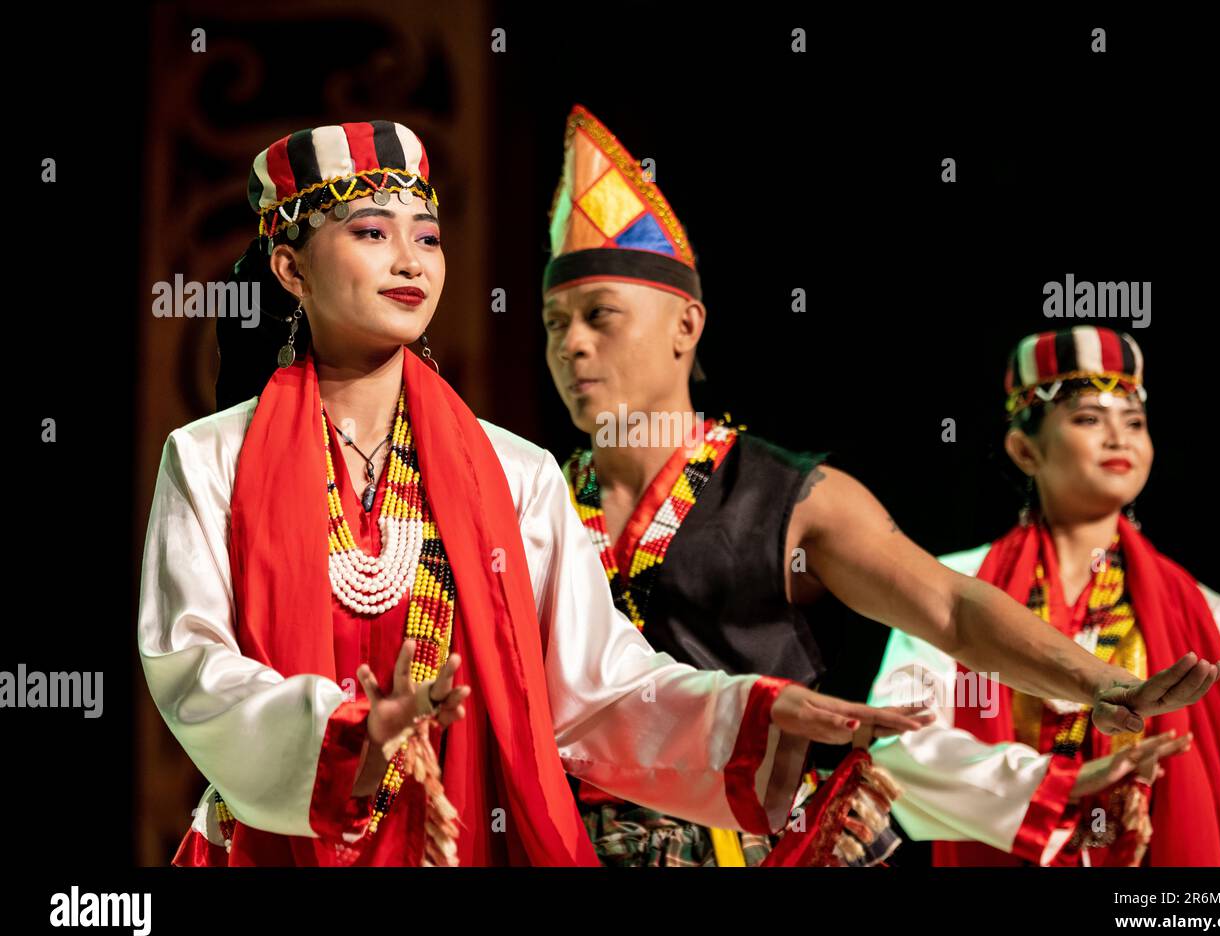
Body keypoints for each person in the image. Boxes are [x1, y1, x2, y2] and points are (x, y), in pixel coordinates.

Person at [137, 119, 935, 867]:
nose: (411, 262)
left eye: (428, 238)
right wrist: (346, 735)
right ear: (289, 267)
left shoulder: (513, 470)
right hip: (280, 840)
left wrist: (752, 715)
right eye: (373, 233)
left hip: (459, 839)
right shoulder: (212, 457)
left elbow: (597, 688)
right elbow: (194, 668)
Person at [540, 105, 1220, 866]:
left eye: (599, 315)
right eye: (552, 322)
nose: (571, 344)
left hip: (751, 847)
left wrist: (1098, 681)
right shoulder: (534, 496)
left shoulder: (790, 498)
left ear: (687, 325)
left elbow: (952, 608)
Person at [868, 326, 1220, 865]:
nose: (1118, 438)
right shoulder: (957, 583)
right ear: (1025, 448)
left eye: (1135, 422)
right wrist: (1047, 785)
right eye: (1088, 418)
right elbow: (899, 736)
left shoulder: (1195, 605)